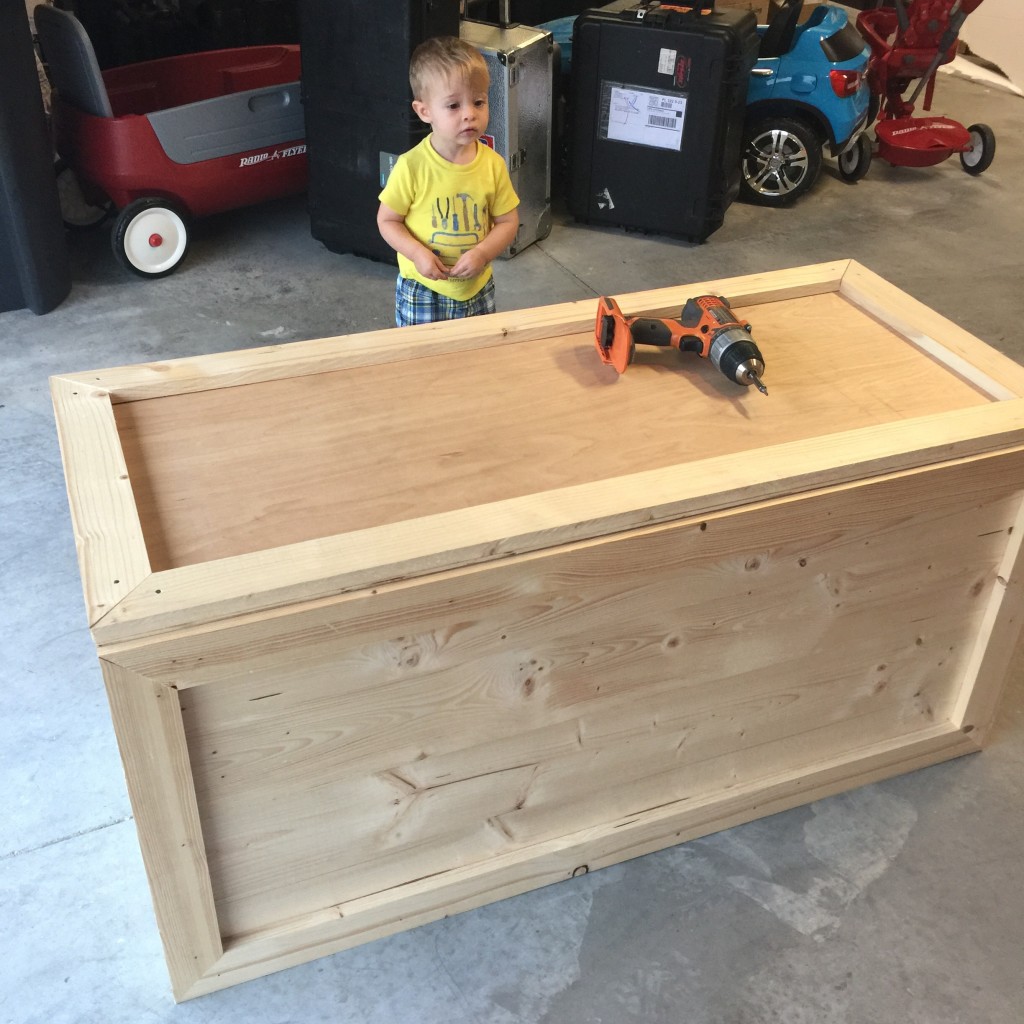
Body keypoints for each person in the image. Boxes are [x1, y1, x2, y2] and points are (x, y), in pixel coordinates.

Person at [377, 36, 520, 327]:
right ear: (424, 111)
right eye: (453, 106)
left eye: (478, 102)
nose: (469, 113)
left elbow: (508, 222)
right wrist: (418, 254)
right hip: (424, 288)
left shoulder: (493, 165)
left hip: (476, 287)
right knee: (425, 361)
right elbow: (387, 221)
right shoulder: (411, 166)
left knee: (475, 357)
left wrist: (482, 253)